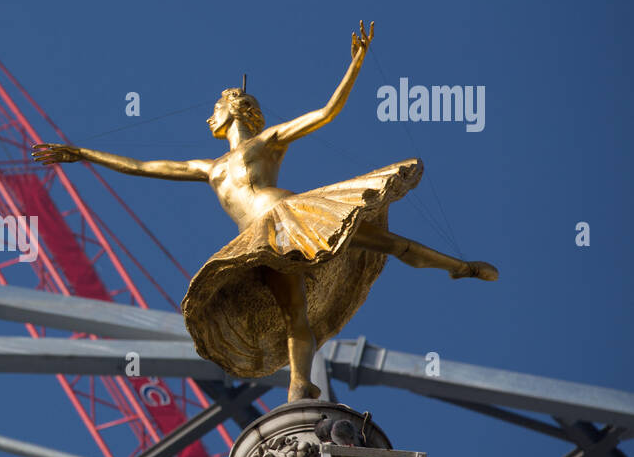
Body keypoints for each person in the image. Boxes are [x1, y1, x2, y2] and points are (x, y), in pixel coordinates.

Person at [32, 21, 497, 403]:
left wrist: (356, 62)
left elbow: (326, 113)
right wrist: (84, 154)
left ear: (235, 109)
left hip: (293, 214)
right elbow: (146, 166)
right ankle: (299, 383)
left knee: (387, 243)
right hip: (259, 239)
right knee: (295, 312)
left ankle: (457, 267)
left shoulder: (267, 141)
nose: (209, 117)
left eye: (215, 109)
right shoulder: (207, 167)